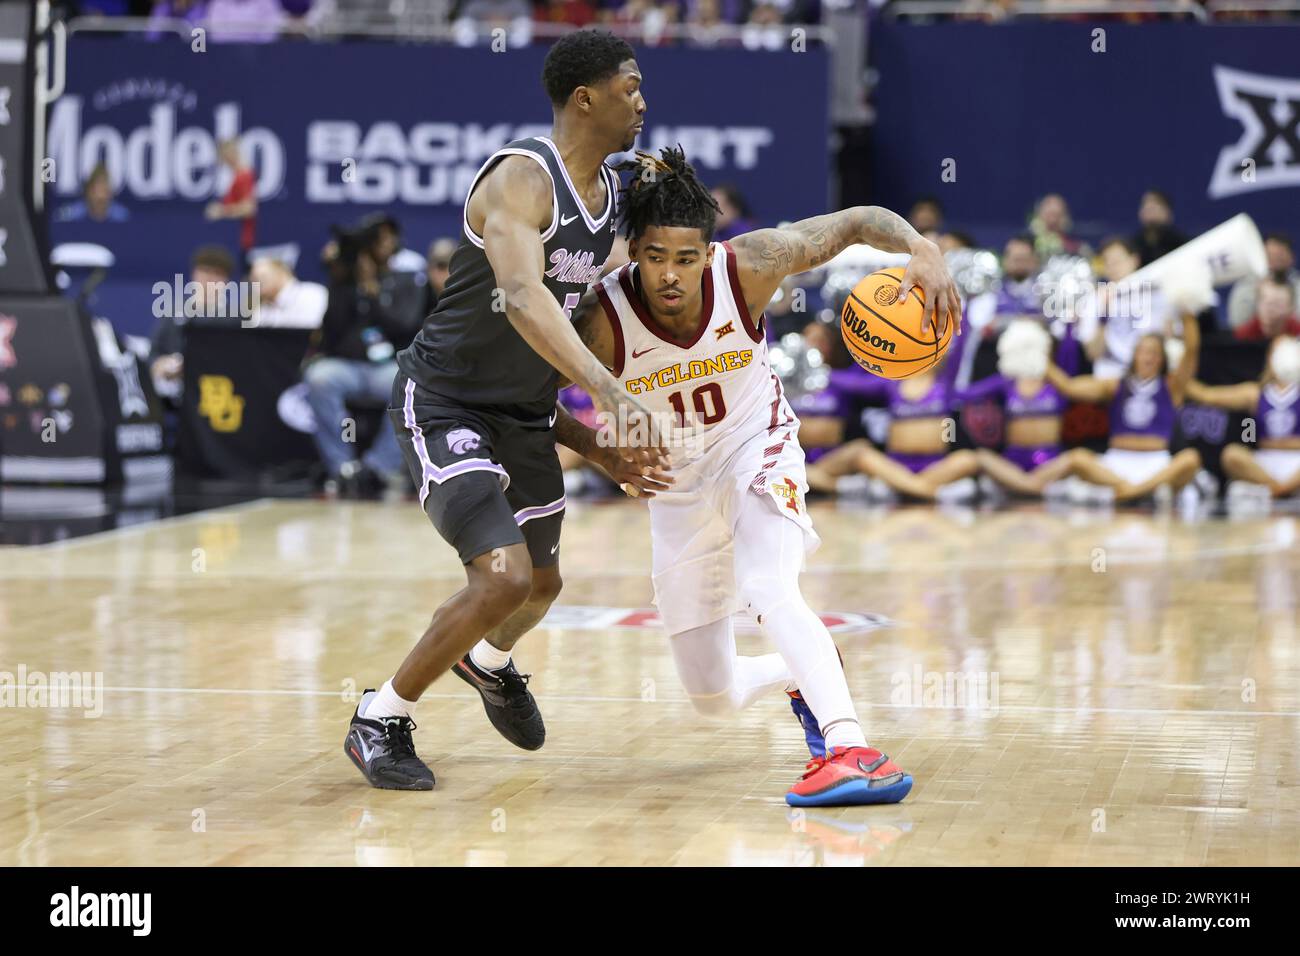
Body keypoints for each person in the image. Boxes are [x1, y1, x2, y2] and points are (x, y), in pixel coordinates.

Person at [567, 145, 961, 805]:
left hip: (758, 445)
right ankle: (806, 668)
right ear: (633, 251)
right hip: (676, 484)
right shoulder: (598, 320)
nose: (671, 276)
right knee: (712, 696)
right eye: (656, 258)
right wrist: (601, 451)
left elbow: (860, 218)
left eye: (686, 259)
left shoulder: (749, 265)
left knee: (766, 583)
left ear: (709, 251)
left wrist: (923, 248)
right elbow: (521, 399)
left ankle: (850, 747)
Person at [344, 30, 661, 791]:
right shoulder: (522, 179)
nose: (642, 101)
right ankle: (379, 717)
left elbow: (549, 354)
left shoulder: (612, 196)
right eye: (630, 86)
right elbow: (522, 298)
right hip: (445, 399)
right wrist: (610, 395)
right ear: (584, 98)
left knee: (541, 587)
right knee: (501, 577)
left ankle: (483, 660)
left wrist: (598, 445)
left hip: (524, 414)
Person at [304, 222, 423, 498]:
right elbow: (332, 328)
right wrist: (344, 280)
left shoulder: (404, 278)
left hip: (386, 366)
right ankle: (342, 467)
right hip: (347, 367)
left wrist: (375, 294)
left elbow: (405, 325)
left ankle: (377, 468)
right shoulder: (344, 283)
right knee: (320, 378)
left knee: (408, 386)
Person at [1045, 312, 1202, 505]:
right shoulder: (1115, 385)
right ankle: (1144, 492)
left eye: (1153, 352)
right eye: (1143, 351)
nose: (1148, 357)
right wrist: (1038, 357)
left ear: (1162, 359)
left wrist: (1187, 309)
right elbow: (1068, 387)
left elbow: (1192, 349)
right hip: (1117, 462)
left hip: (1157, 462)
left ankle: (1124, 494)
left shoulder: (1171, 387)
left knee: (1191, 459)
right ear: (1134, 355)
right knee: (1077, 458)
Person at [804, 354, 982, 504]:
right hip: (897, 464)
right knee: (862, 452)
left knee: (968, 459)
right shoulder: (892, 383)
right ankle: (935, 493)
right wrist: (817, 372)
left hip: (935, 465)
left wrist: (961, 313)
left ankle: (901, 488)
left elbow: (961, 344)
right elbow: (857, 384)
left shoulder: (945, 384)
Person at [1185, 336, 1300, 503]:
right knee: (1232, 454)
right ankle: (1281, 491)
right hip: (1264, 463)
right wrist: (1178, 375)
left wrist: (1278, 443)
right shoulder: (1255, 393)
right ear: (1270, 358)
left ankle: (1273, 491)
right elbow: (1207, 395)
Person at [205, 137, 258, 269]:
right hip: (239, 240)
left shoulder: (244, 176)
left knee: (248, 284)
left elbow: (249, 209)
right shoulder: (239, 175)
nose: (223, 160)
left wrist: (220, 211)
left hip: (245, 240)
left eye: (224, 155)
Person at [1131, 189, 1187, 266]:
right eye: (1145, 205)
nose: (1149, 209)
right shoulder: (1133, 246)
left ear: (1167, 212)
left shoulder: (1182, 244)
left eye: (1155, 205)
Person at [1233, 279, 1300, 342]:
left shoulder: (1297, 333)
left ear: (1291, 308)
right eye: (1265, 303)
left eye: (1278, 304)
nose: (1270, 309)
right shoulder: (1242, 336)